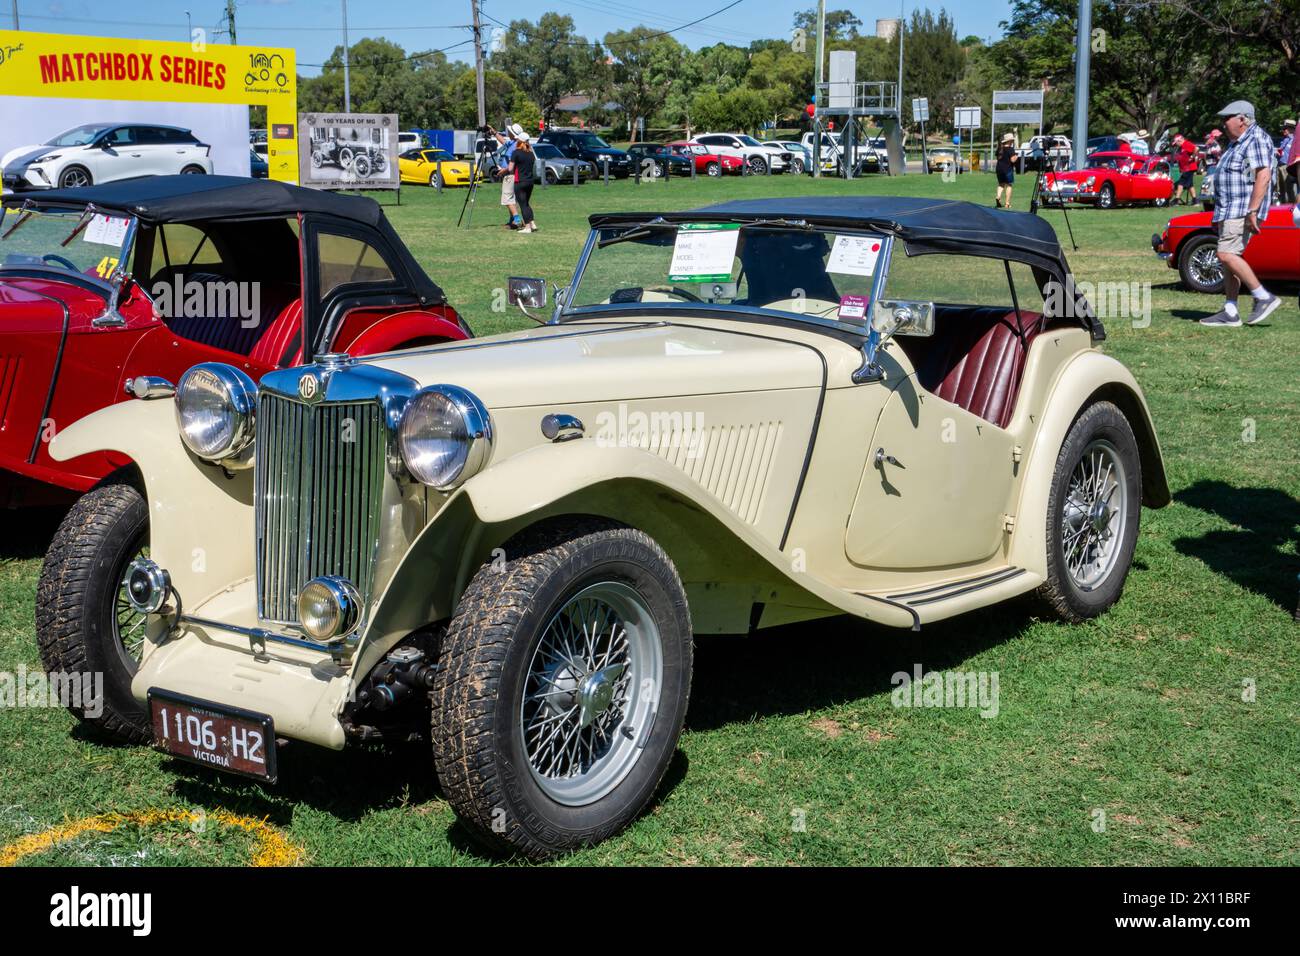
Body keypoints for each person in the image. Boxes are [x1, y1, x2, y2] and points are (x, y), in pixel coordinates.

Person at [1200, 100, 1280, 327]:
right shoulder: (1239, 142)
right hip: (1230, 209)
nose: (1224, 123)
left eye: (1228, 118)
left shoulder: (1255, 138)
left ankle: (1263, 297)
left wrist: (1253, 211)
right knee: (1229, 260)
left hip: (1242, 209)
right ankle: (1230, 310)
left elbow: (1263, 176)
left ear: (1243, 119)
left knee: (1225, 255)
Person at [489, 123, 524, 230]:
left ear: (513, 134)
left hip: (510, 175)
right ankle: (512, 221)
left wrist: (502, 171)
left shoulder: (514, 146)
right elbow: (503, 142)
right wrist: (495, 133)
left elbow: (511, 164)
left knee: (507, 198)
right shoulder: (514, 142)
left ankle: (517, 220)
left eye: (509, 131)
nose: (507, 132)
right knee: (512, 199)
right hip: (511, 175)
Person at [508, 132, 537, 234]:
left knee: (523, 205)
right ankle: (532, 223)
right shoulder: (531, 153)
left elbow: (510, 168)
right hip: (530, 182)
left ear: (519, 141)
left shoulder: (516, 152)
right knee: (526, 204)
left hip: (520, 182)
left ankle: (528, 227)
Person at [1172, 133, 1200, 205]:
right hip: (1186, 168)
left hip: (1189, 168)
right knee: (1190, 185)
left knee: (1181, 182)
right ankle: (1195, 201)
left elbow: (1196, 148)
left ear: (1180, 140)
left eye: (1176, 143)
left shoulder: (1186, 144)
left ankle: (1176, 200)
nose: (1176, 145)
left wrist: (1192, 156)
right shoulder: (1182, 147)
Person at [994, 132, 1016, 208]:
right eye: (1012, 140)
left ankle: (998, 196)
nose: (1013, 142)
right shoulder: (1010, 149)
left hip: (999, 169)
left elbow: (999, 158)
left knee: (1001, 184)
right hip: (1007, 169)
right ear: (1009, 141)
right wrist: (1016, 157)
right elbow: (1012, 160)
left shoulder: (1000, 148)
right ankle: (1007, 203)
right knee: (1009, 185)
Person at [1278, 118, 1296, 203]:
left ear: (1291, 129)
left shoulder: (1295, 140)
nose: (1283, 130)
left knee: (1289, 189)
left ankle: (1292, 208)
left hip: (1287, 166)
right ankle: (1282, 207)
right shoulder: (1284, 140)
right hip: (1280, 166)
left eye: (1285, 128)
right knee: (1281, 189)